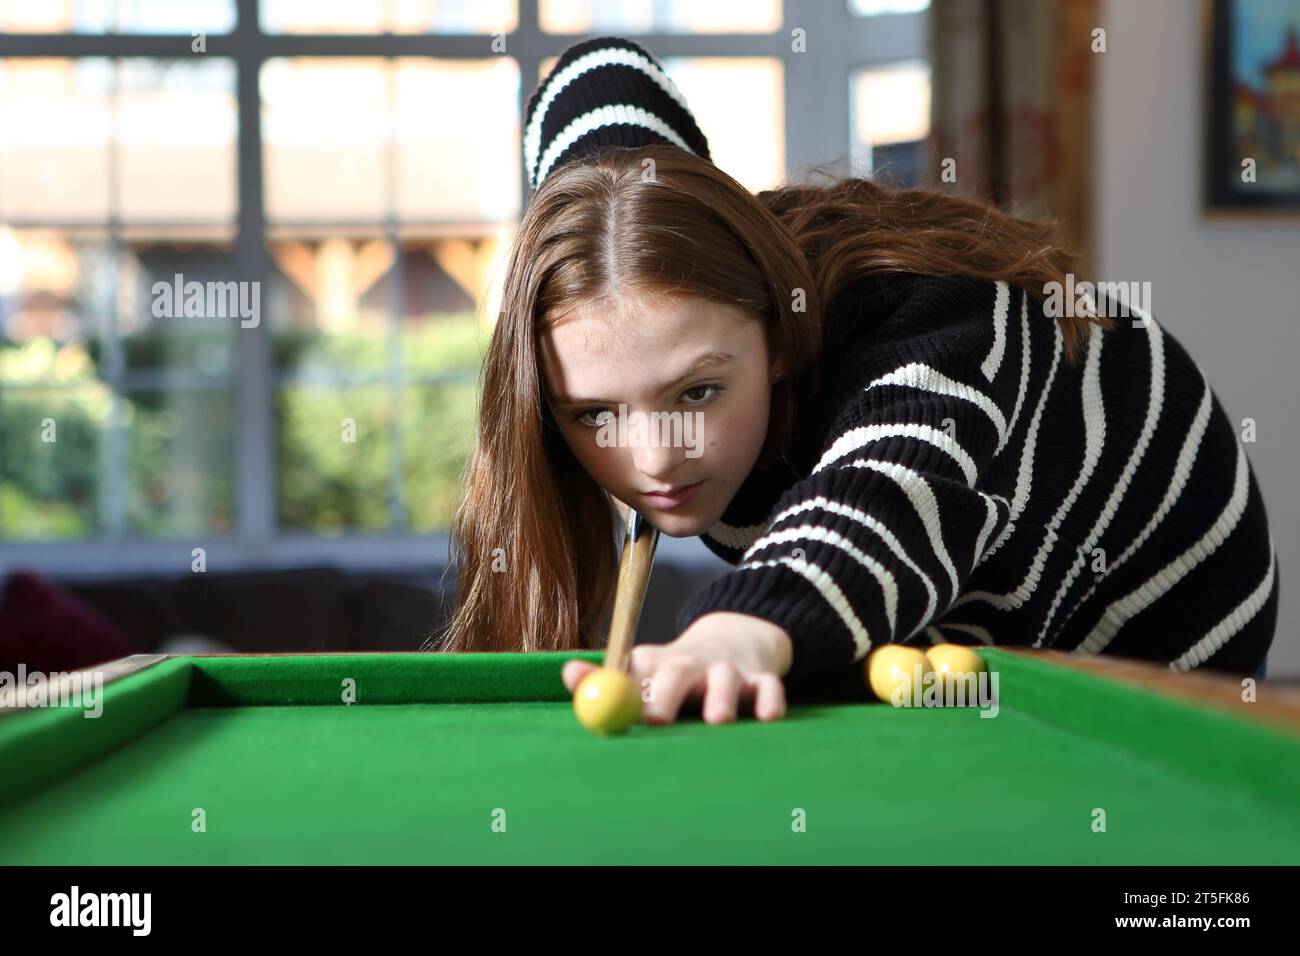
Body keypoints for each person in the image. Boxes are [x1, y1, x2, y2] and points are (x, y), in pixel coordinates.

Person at [432, 36, 1278, 725]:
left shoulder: (926, 315)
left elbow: (888, 489)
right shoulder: (714, 420)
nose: (656, 460)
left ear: (771, 324)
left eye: (696, 393)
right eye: (595, 415)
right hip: (964, 632)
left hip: (1151, 639)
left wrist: (738, 631)